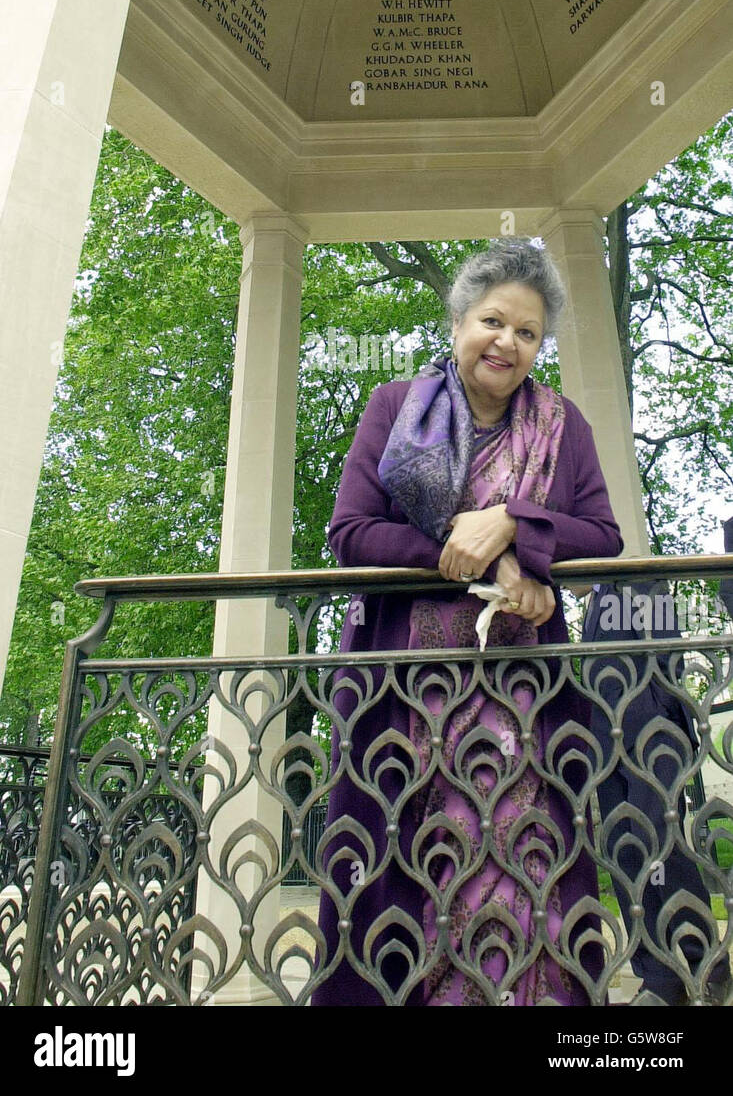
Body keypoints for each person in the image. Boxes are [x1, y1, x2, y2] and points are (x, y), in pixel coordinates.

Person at [310, 239, 624, 1007]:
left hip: (524, 700)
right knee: (396, 877)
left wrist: (514, 521)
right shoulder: (394, 406)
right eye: (492, 321)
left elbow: (602, 533)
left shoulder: (563, 424)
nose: (505, 343)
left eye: (526, 332)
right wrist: (473, 555)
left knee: (530, 862)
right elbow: (350, 532)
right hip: (404, 696)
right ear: (456, 322)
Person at [582, 580, 733, 1006]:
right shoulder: (594, 603)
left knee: (660, 848)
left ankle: (707, 966)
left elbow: (668, 656)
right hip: (608, 747)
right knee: (623, 853)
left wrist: (659, 715)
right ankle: (658, 980)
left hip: (654, 737)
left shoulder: (639, 582)